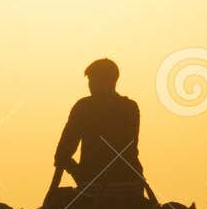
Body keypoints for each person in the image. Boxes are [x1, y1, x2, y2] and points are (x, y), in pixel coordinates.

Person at [53, 58, 144, 192]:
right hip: (132, 184)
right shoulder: (130, 107)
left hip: (94, 187)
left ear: (110, 81)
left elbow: (62, 154)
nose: (91, 85)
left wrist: (80, 174)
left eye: (94, 80)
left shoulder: (83, 107)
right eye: (90, 81)